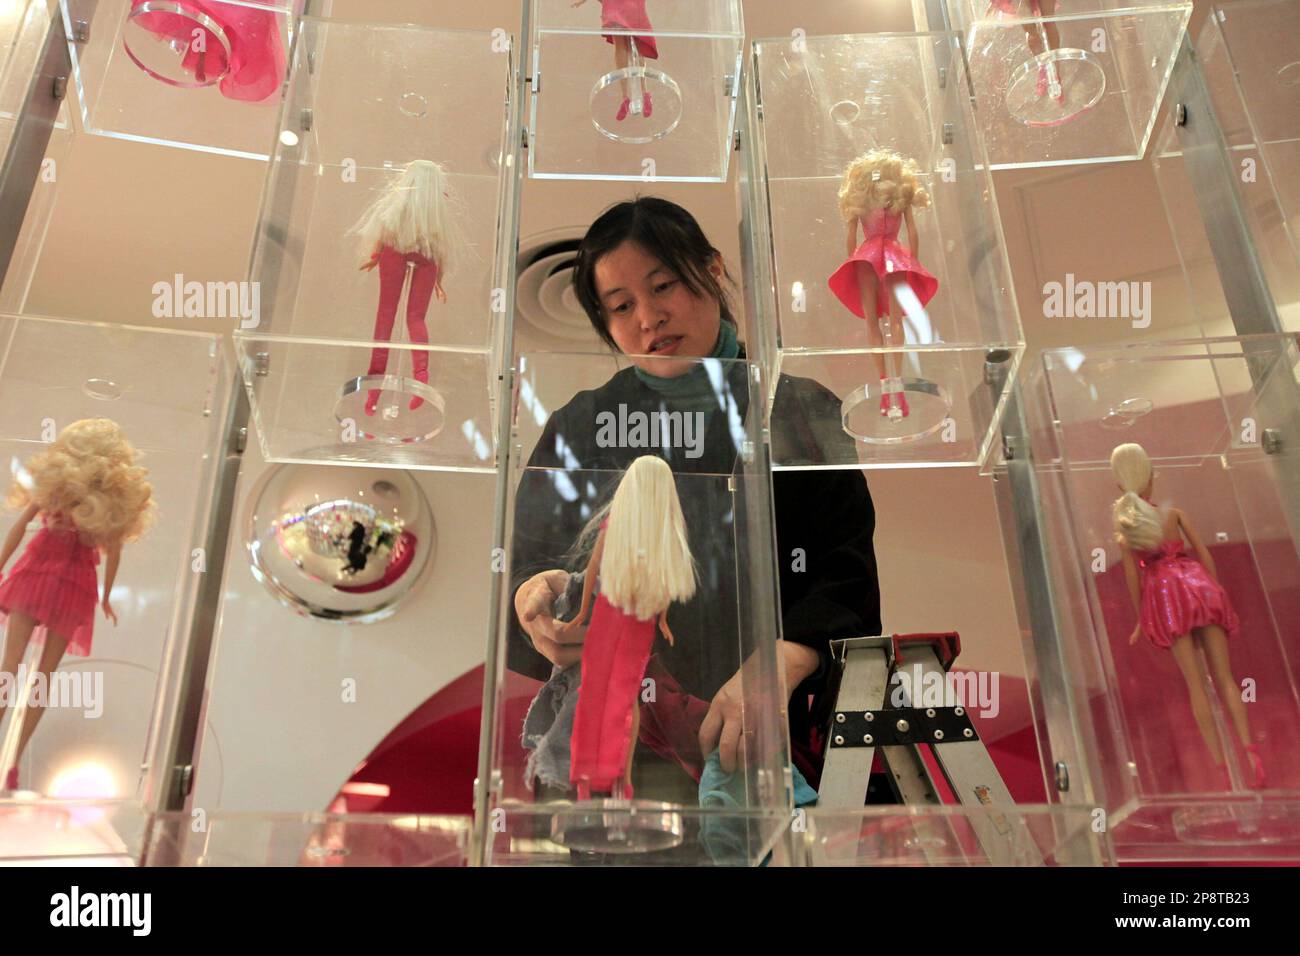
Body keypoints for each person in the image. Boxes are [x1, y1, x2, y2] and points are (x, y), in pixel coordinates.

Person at [509, 197, 881, 798]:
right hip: (620, 758)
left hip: (771, 737)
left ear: (711, 269)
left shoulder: (798, 411)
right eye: (621, 306)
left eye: (664, 287)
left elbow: (846, 576)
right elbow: (525, 564)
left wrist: (783, 660)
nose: (649, 318)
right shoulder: (582, 426)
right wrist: (536, 602)